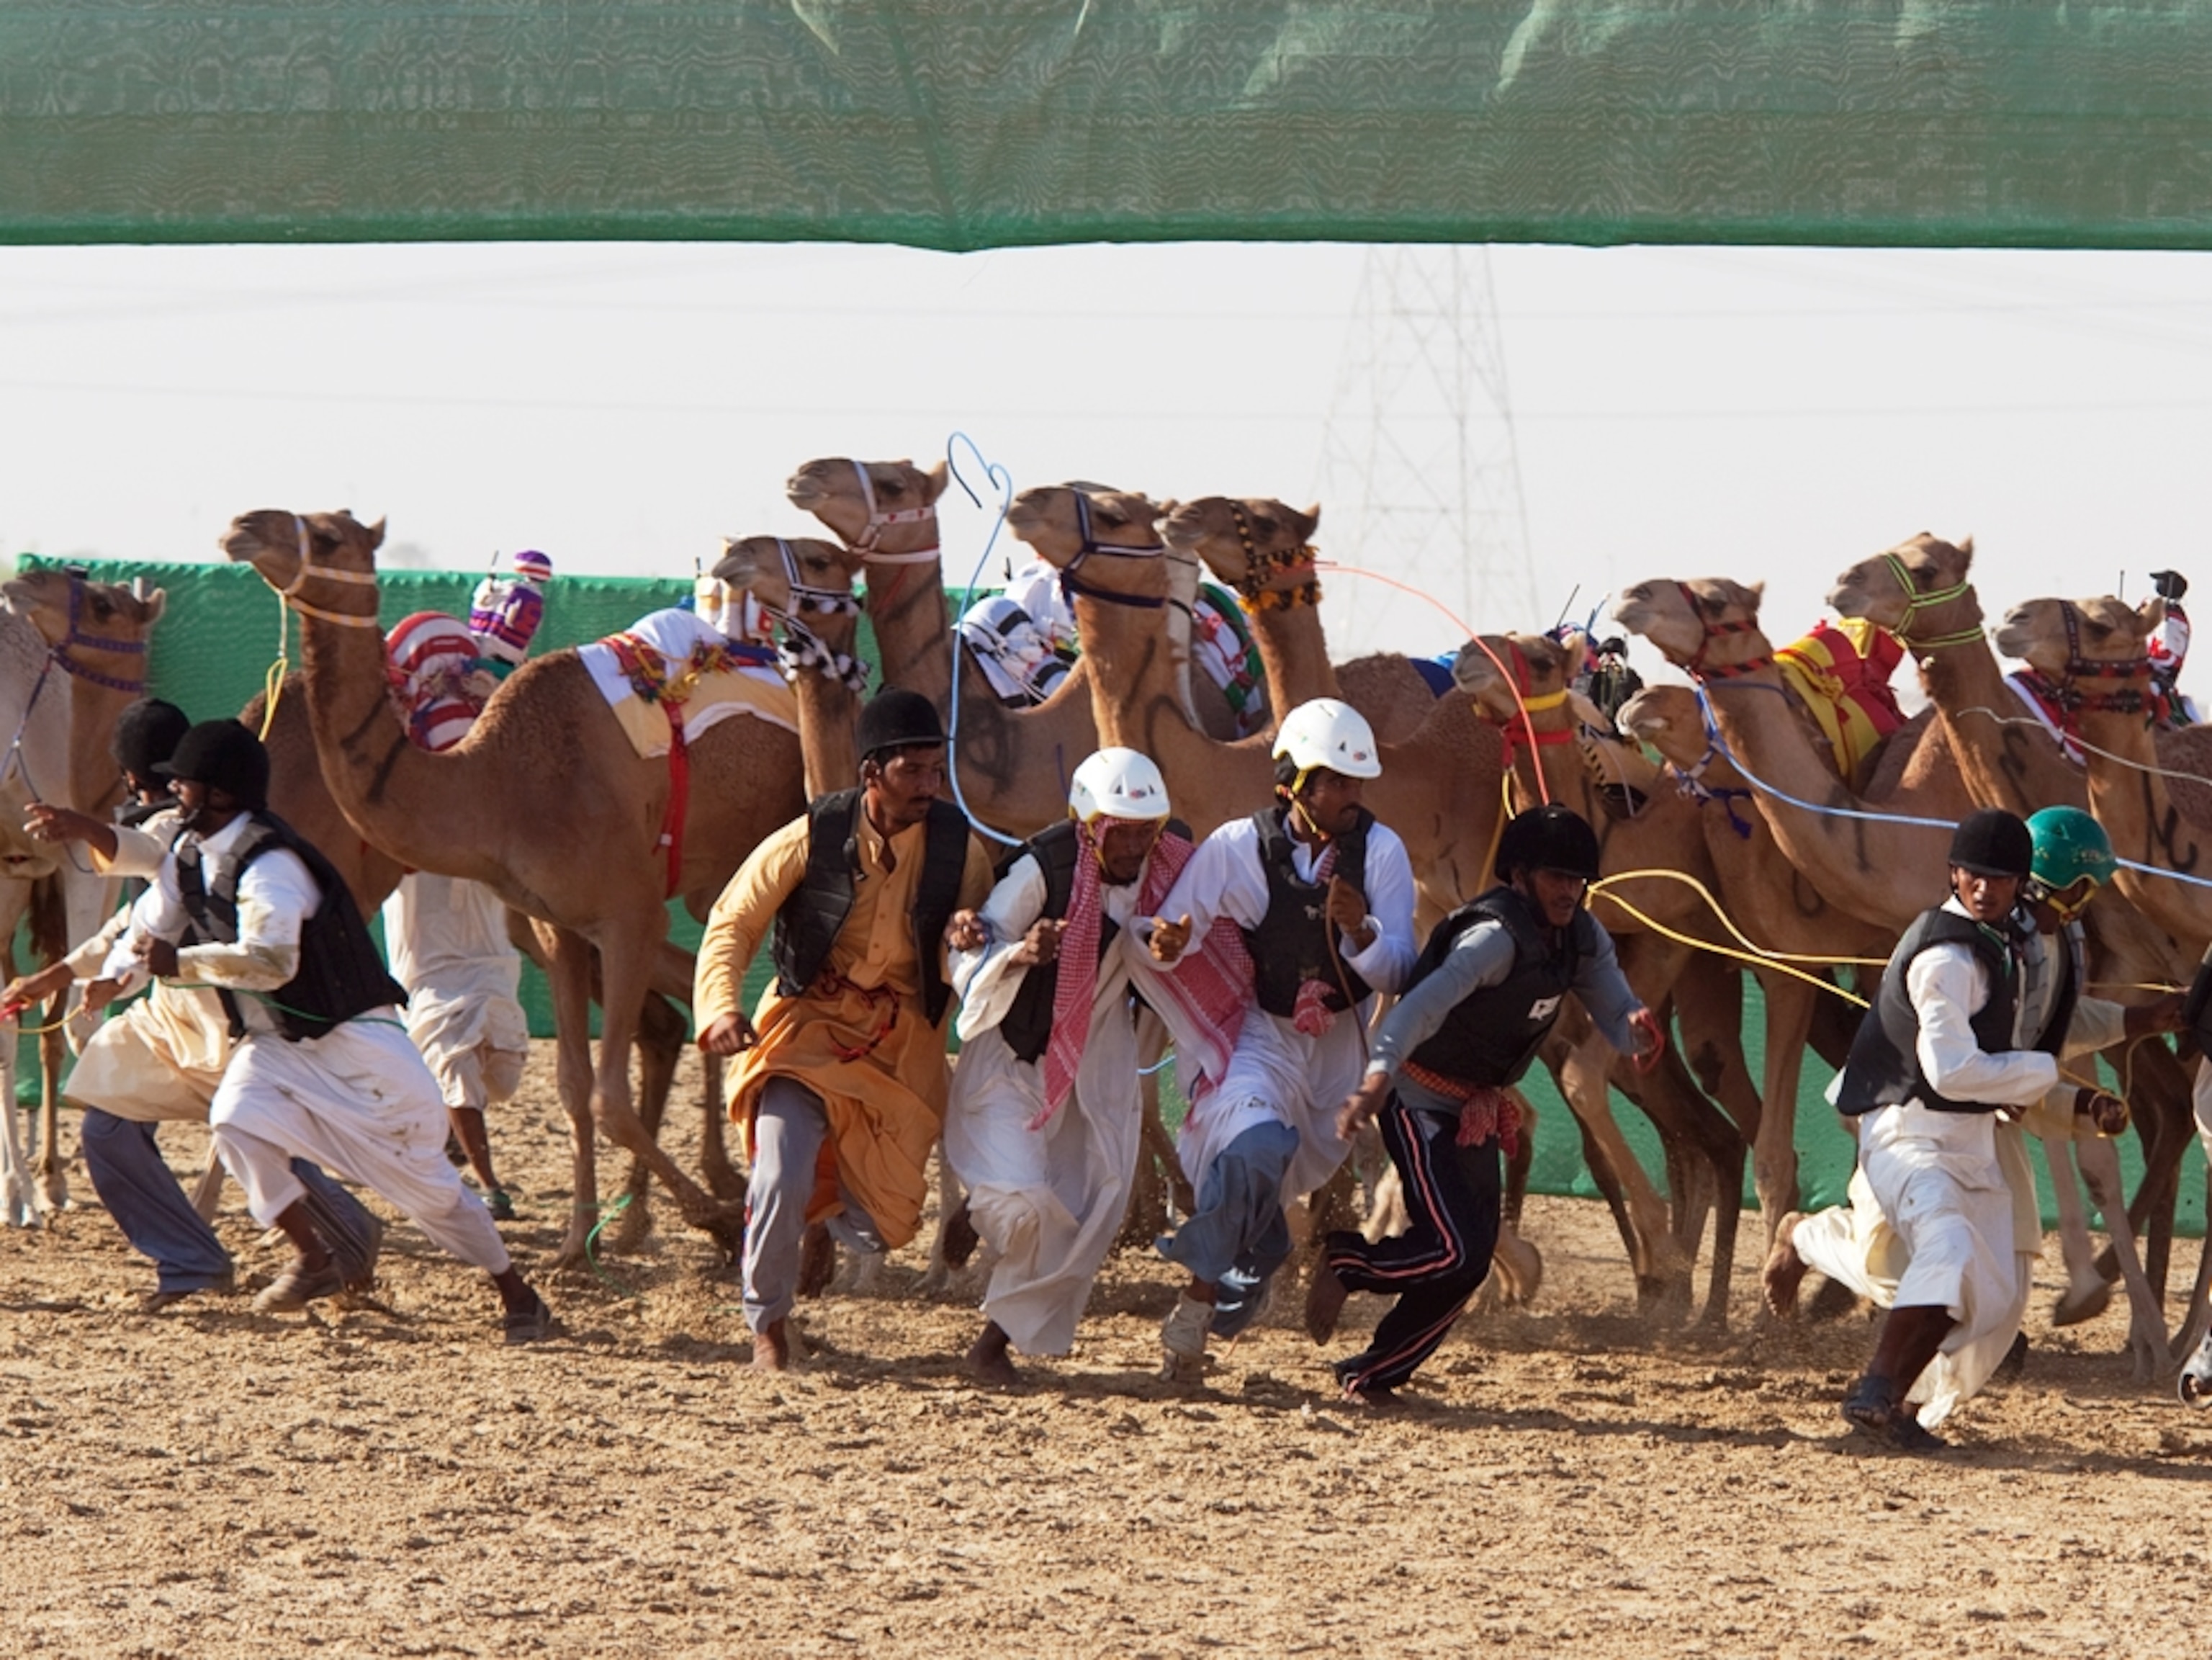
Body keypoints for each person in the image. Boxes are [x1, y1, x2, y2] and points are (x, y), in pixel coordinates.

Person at [125, 719, 552, 1340]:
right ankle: (314, 1257)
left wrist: (181, 963)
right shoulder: (189, 856)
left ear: (218, 795)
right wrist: (91, 977)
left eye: (182, 783)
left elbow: (273, 962)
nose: (171, 793)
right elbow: (143, 932)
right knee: (236, 1121)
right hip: (276, 1043)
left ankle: (518, 1294)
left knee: (430, 1194)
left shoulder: (271, 866)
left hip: (357, 1045)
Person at [5, 700, 383, 1312]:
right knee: (111, 1123)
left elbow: (140, 848)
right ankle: (192, 1261)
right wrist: (59, 974)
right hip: (170, 1018)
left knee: (254, 1133)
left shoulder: (184, 831)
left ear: (132, 775)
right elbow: (134, 923)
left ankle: (343, 1235)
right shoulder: (188, 828)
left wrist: (83, 827)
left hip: (229, 1020)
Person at [1797, 807, 2155, 1449]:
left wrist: (2100, 1069)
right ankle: (1876, 1387)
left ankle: (1895, 1406)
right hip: (1910, 1131)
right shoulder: (1947, 958)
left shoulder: (2016, 942)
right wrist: (2048, 1078)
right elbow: (1953, 1070)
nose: (1985, 888)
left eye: (2000, 877)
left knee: (1993, 1299)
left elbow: (2026, 1035)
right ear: (1953, 874)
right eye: (1974, 874)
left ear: (2022, 882)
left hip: (1971, 1140)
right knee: (1947, 1250)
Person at [1308, 803, 1663, 1405]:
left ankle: (1371, 1374)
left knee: (1469, 1261)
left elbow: (1617, 1010)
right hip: (1417, 1097)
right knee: (1453, 1245)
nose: (1570, 891)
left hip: (1476, 1107)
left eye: (1578, 880)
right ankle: (1347, 1261)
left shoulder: (1582, 937)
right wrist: (1376, 1078)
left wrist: (1637, 1030)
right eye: (1556, 877)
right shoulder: (1491, 940)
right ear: (1519, 876)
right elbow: (1418, 1008)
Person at [693, 687, 995, 1372]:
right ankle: (769, 1324)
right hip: (807, 1031)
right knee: (778, 1170)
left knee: (881, 1225)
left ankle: (822, 1213)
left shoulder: (959, 848)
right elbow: (734, 921)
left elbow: (975, 938)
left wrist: (965, 933)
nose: (930, 785)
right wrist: (719, 1008)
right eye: (913, 771)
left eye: (936, 769)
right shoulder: (813, 835)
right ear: (871, 773)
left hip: (901, 1049)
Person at [942, 748, 1247, 1385]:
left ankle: (992, 1343)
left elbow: (1171, 929)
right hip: (1014, 1056)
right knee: (1027, 1209)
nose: (1134, 846)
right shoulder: (1043, 867)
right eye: (1120, 832)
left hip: (1096, 1054)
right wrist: (1020, 953)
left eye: (1144, 831)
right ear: (1089, 826)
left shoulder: (1169, 866)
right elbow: (969, 948)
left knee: (1088, 1209)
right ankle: (980, 1209)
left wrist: (1170, 944)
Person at [1138, 697, 1418, 1383]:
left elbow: (1401, 969)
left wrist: (1361, 931)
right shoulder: (1238, 846)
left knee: (1271, 1182)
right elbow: (1170, 930)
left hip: (1341, 1052)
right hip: (1262, 1035)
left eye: (1357, 782)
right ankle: (1195, 1307)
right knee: (1258, 1148)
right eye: (1337, 781)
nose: (1353, 796)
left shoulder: (1382, 851)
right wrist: (1167, 944)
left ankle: (1251, 1258)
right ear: (1294, 782)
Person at [381, 604, 537, 1219]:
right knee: (449, 1039)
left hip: (484, 902)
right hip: (426, 911)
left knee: (495, 1054)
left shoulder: (491, 739)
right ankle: (490, 1184)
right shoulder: (405, 751)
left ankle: (451, 1132)